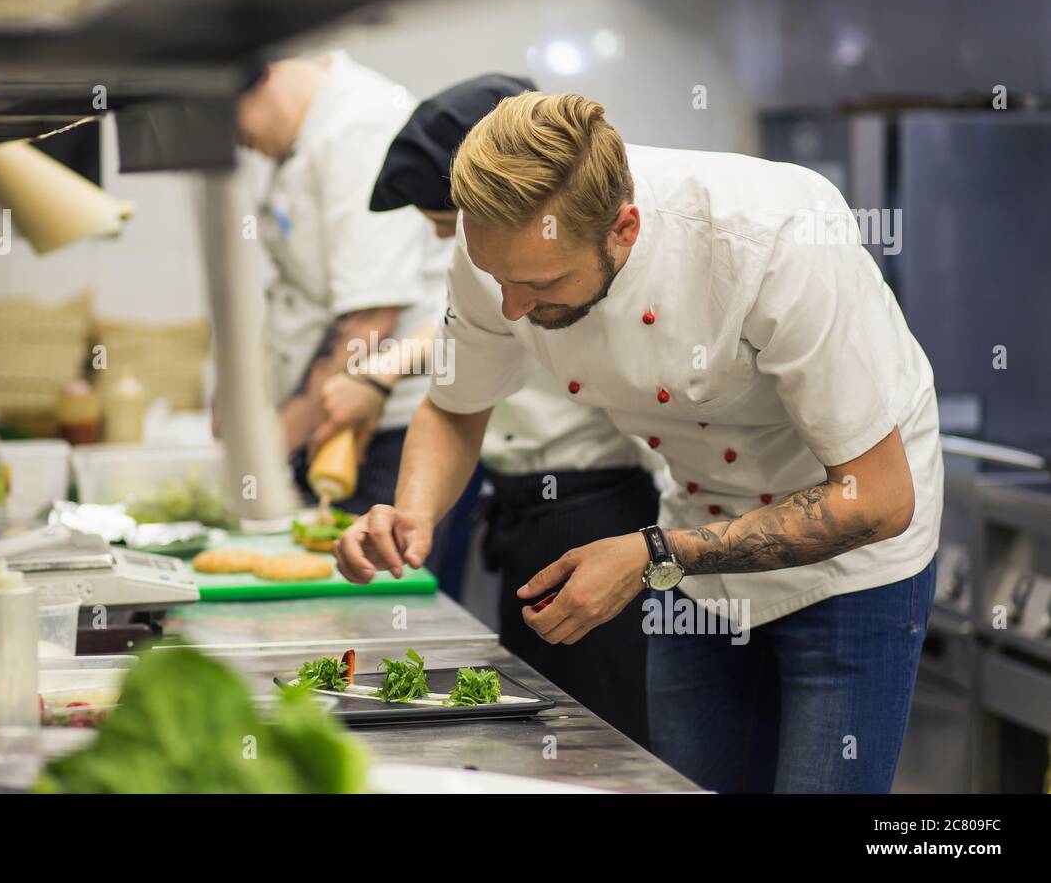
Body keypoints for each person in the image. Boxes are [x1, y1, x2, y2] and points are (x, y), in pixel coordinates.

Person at [334, 92, 943, 794]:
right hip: (695, 533)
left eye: (538, 284)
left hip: (851, 560)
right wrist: (412, 513)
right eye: (497, 280)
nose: (511, 308)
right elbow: (455, 406)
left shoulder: (776, 238)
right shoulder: (500, 252)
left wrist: (652, 555)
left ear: (623, 229)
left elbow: (878, 499)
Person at [317, 74, 658, 743]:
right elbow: (459, 368)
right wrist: (411, 513)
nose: (499, 291)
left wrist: (382, 369)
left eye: (451, 225)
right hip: (521, 501)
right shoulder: (494, 270)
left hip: (596, 502)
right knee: (537, 727)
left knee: (596, 735)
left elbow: (451, 338)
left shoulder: (571, 249)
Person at [230, 51, 449, 515]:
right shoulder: (297, 133)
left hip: (379, 430)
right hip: (322, 418)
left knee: (369, 576)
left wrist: (269, 452)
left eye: (230, 125)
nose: (237, 143)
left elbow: (370, 317)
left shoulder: (359, 129)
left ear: (260, 75)